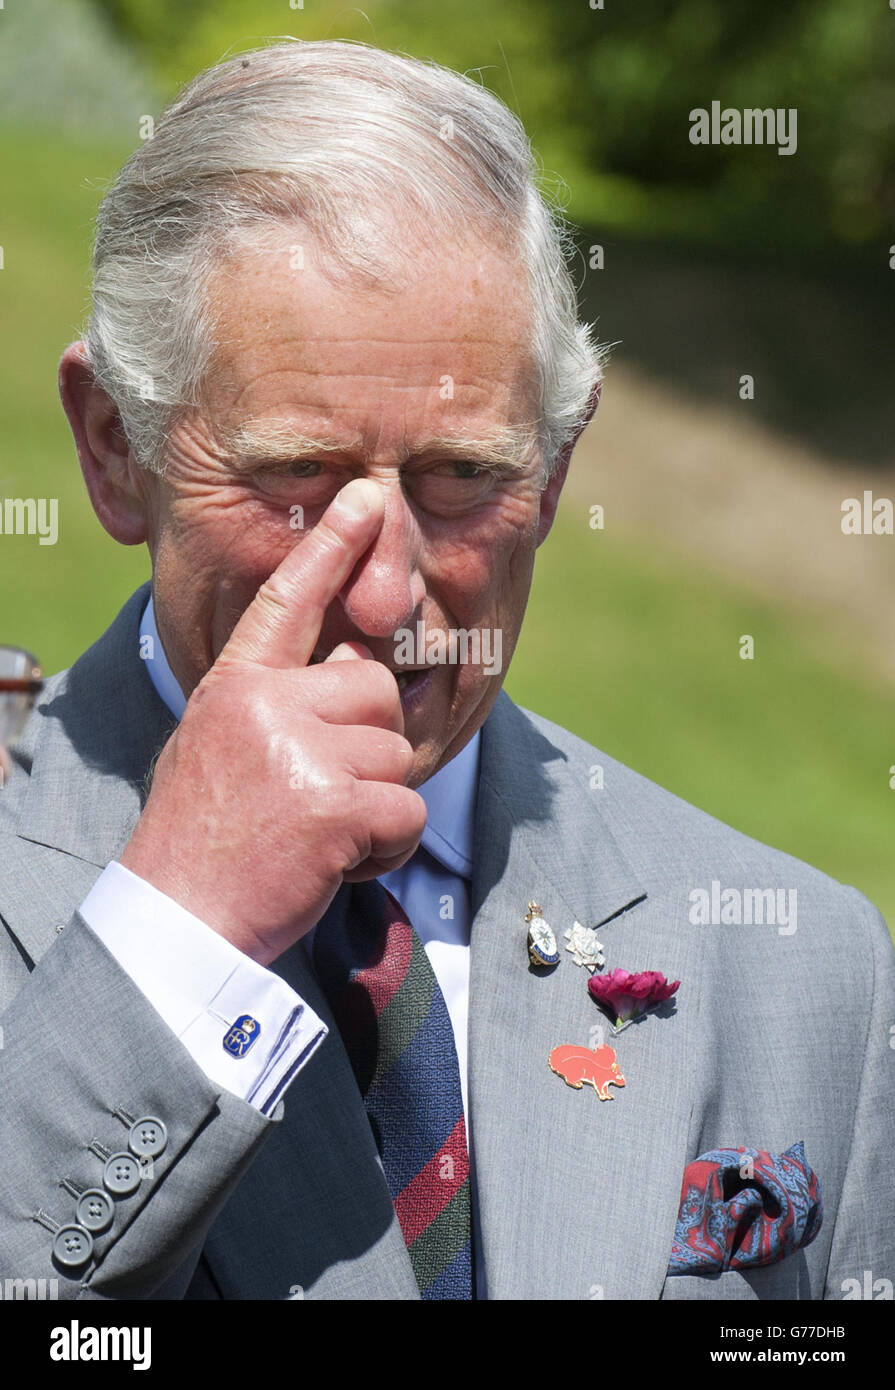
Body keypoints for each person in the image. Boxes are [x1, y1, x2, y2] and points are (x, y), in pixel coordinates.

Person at [0, 39, 892, 1302]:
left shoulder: (802, 964)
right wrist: (178, 931)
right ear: (113, 447)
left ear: (557, 469)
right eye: (295, 476)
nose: (381, 592)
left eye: (462, 477)